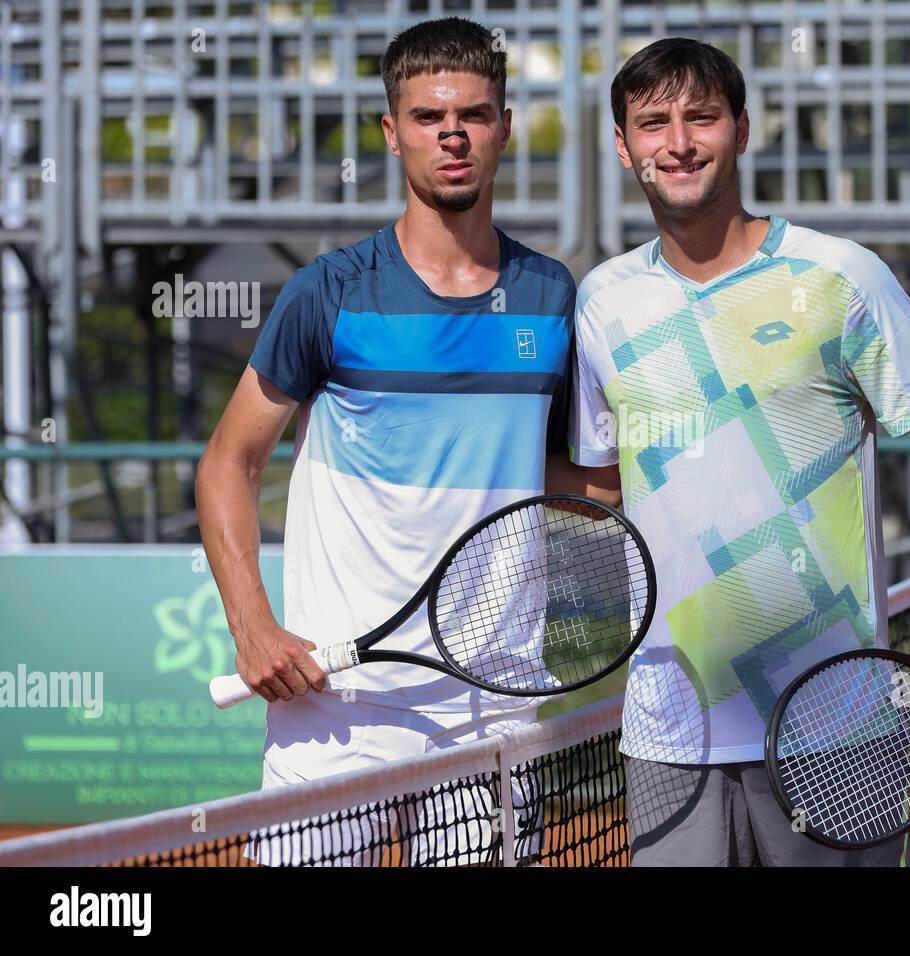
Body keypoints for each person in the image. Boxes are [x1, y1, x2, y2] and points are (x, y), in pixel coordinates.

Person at [566, 38, 910, 866]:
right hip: (666, 730)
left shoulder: (841, 276)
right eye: (653, 123)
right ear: (623, 146)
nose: (678, 143)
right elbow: (598, 485)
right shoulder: (601, 302)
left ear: (743, 129)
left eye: (702, 118)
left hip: (836, 725)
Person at [195, 16, 617, 864]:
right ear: (393, 134)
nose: (452, 134)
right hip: (336, 708)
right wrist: (253, 627)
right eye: (428, 117)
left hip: (491, 709)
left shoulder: (551, 294)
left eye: (473, 113)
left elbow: (561, 472)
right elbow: (226, 465)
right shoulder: (330, 292)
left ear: (501, 127)